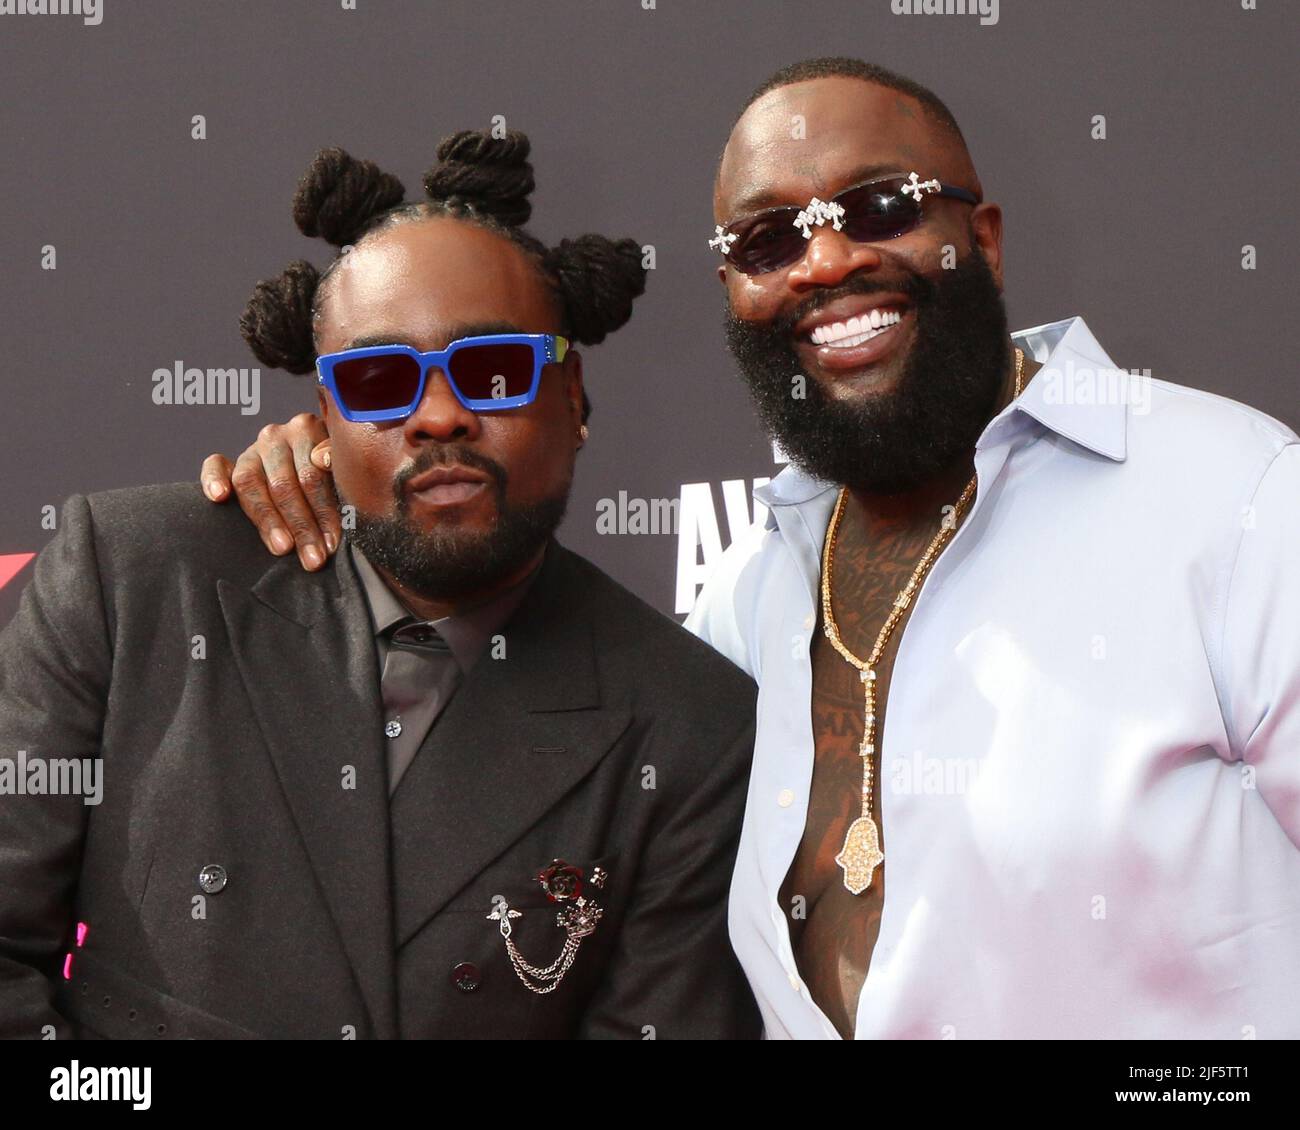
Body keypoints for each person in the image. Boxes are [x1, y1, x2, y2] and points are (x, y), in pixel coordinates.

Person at [200, 59, 1300, 1041]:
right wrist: (329, 473)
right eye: (767, 240)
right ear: (733, 290)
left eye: (879, 206)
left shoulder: (1235, 498)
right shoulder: (744, 598)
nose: (824, 262)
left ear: (986, 239)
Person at [0, 129, 761, 1040]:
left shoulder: (692, 722)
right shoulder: (128, 577)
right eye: (378, 380)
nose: (440, 414)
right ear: (326, 416)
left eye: (494, 369)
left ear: (575, 398)